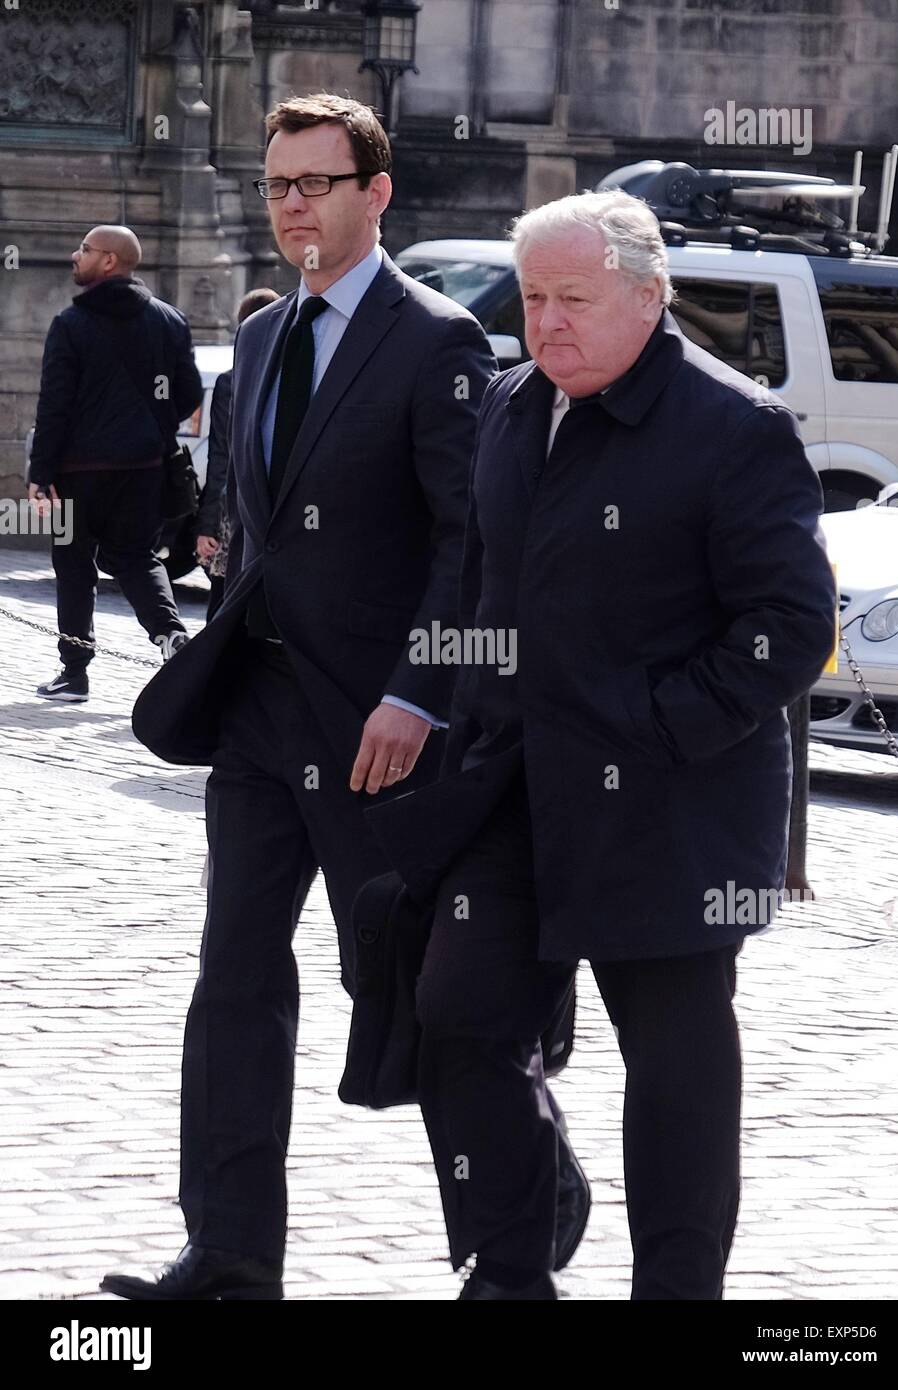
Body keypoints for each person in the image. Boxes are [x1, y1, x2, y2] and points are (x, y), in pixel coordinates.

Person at [364, 189, 838, 1300]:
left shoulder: (738, 427)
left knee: (671, 1064)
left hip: (671, 809)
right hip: (514, 789)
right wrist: (451, 706)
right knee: (460, 1015)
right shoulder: (511, 407)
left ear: (647, 293)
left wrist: (656, 724)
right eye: (533, 298)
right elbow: (478, 577)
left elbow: (788, 628)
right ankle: (512, 1269)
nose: (548, 322)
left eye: (574, 298)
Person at [100, 93, 496, 1301]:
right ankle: (228, 1252)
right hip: (262, 711)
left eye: (315, 183)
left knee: (411, 983)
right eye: (277, 184)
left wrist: (421, 695)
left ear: (377, 194)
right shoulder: (265, 338)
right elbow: (256, 512)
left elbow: (469, 543)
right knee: (234, 974)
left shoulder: (438, 342)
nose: (291, 206)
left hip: (379, 727)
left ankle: (514, 1214)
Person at [29, 225, 202, 701]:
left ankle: (74, 673)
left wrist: (40, 474)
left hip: (75, 474)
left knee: (73, 565)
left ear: (109, 261)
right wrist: (148, 426)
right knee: (136, 558)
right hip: (143, 468)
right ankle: (171, 636)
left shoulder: (71, 324)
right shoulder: (169, 320)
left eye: (84, 249)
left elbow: (55, 405)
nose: (74, 255)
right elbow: (188, 393)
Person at [196, 289, 281, 621]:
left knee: (222, 603)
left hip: (238, 511)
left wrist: (207, 525)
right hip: (277, 512)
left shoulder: (232, 381)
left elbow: (222, 458)